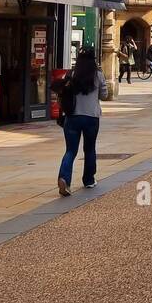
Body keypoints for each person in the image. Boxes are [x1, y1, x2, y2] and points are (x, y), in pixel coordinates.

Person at [57, 47, 107, 196]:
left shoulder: (71, 74)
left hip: (73, 116)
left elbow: (63, 93)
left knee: (70, 150)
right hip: (92, 117)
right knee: (89, 149)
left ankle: (64, 178)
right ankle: (89, 179)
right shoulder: (98, 75)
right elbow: (104, 95)